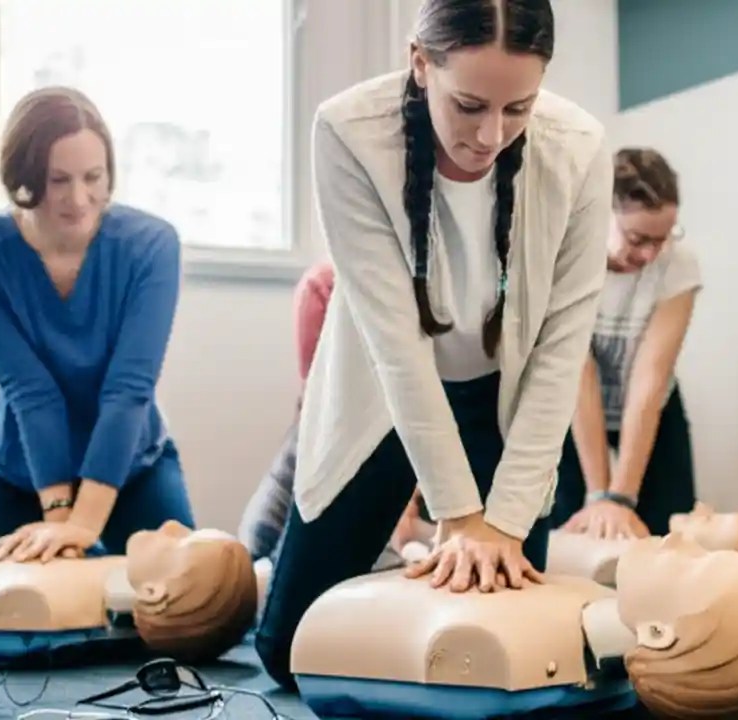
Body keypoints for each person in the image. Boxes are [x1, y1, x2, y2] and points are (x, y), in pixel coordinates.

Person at [254, 0, 612, 688]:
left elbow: (561, 353)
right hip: (382, 397)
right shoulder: (347, 130)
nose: (491, 135)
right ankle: (399, 561)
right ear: (420, 62)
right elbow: (396, 349)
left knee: (500, 638)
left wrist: (501, 525)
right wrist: (457, 515)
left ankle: (408, 570)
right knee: (290, 654)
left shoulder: (582, 148)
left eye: (518, 109)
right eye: (470, 105)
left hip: (498, 403)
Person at [0, 86, 194, 564]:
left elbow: (129, 388)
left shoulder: (153, 246)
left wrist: (81, 529)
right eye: (58, 180)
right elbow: (31, 390)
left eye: (94, 177)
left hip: (128, 462)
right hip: (9, 463)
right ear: (26, 177)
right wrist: (58, 525)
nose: (80, 198)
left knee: (189, 619)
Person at [550, 147, 700, 538]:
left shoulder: (678, 265)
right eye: (637, 239)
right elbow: (578, 376)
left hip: (652, 408)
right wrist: (599, 493)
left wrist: (621, 498)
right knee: (570, 528)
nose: (650, 253)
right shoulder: (563, 257)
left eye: (662, 239)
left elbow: (649, 381)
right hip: (572, 408)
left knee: (668, 533)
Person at [236, 260, 423, 564]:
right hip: (330, 440)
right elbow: (317, 415)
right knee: (249, 554)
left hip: (427, 450)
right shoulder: (323, 287)